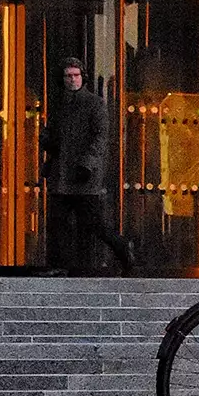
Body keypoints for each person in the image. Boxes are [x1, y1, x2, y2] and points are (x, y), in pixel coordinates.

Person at [41, 59, 135, 276]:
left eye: (75, 75)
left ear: (82, 77)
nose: (72, 79)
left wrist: (87, 164)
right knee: (58, 223)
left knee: (94, 223)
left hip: (84, 177)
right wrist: (46, 141)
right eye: (68, 76)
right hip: (62, 173)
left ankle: (122, 248)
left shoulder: (94, 104)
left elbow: (100, 138)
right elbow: (49, 131)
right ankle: (59, 265)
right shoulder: (60, 103)